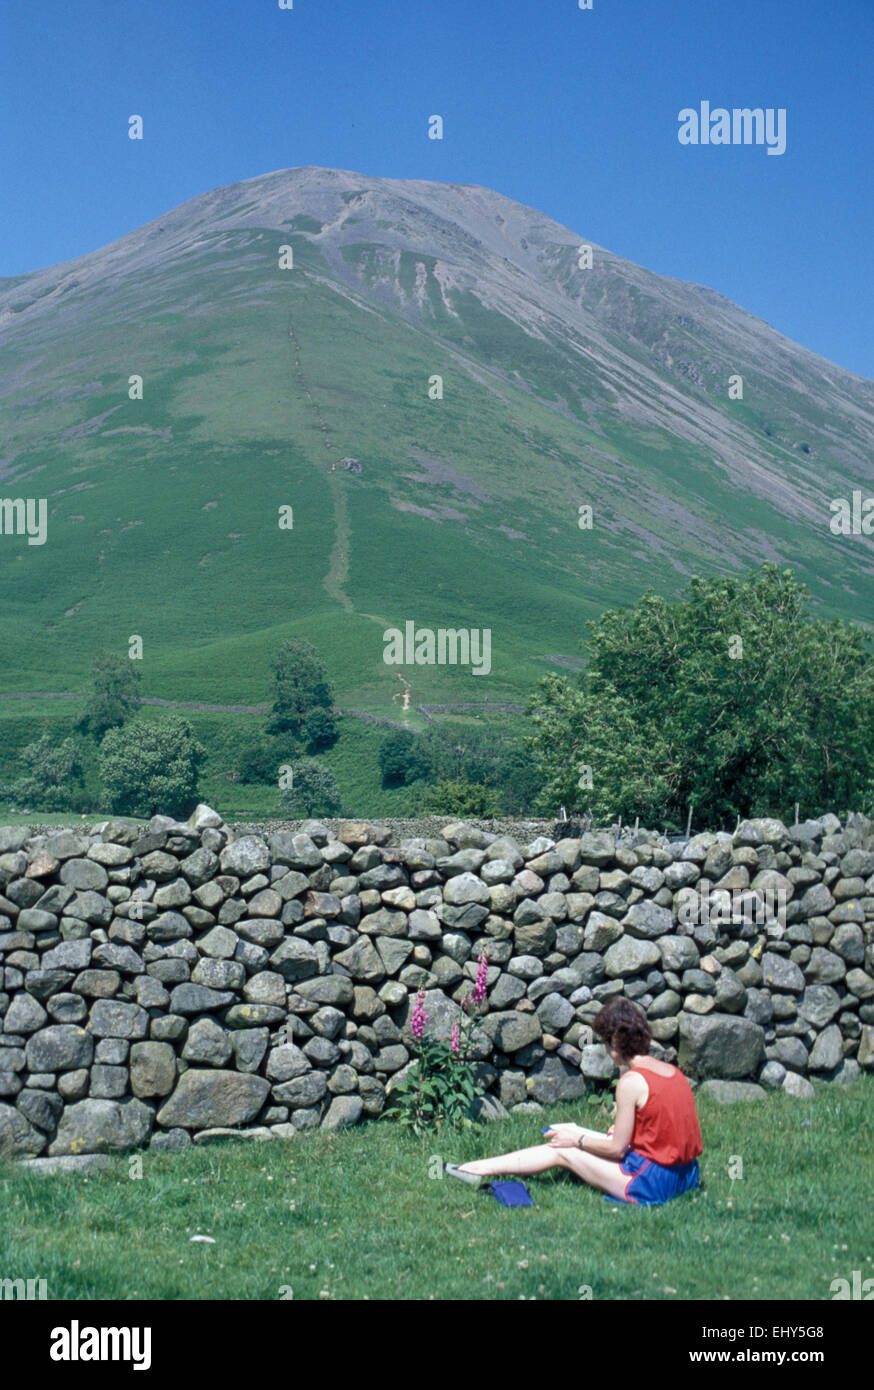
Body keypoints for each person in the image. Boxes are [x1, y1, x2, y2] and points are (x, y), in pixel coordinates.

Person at [445, 998, 702, 1206]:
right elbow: (666, 1130)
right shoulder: (672, 1072)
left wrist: (577, 1141)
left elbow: (617, 1150)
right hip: (686, 1175)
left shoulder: (631, 1082)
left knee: (562, 1149)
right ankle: (477, 1168)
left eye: (604, 1041)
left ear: (615, 1042)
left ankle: (476, 1169)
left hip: (652, 1183)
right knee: (567, 1132)